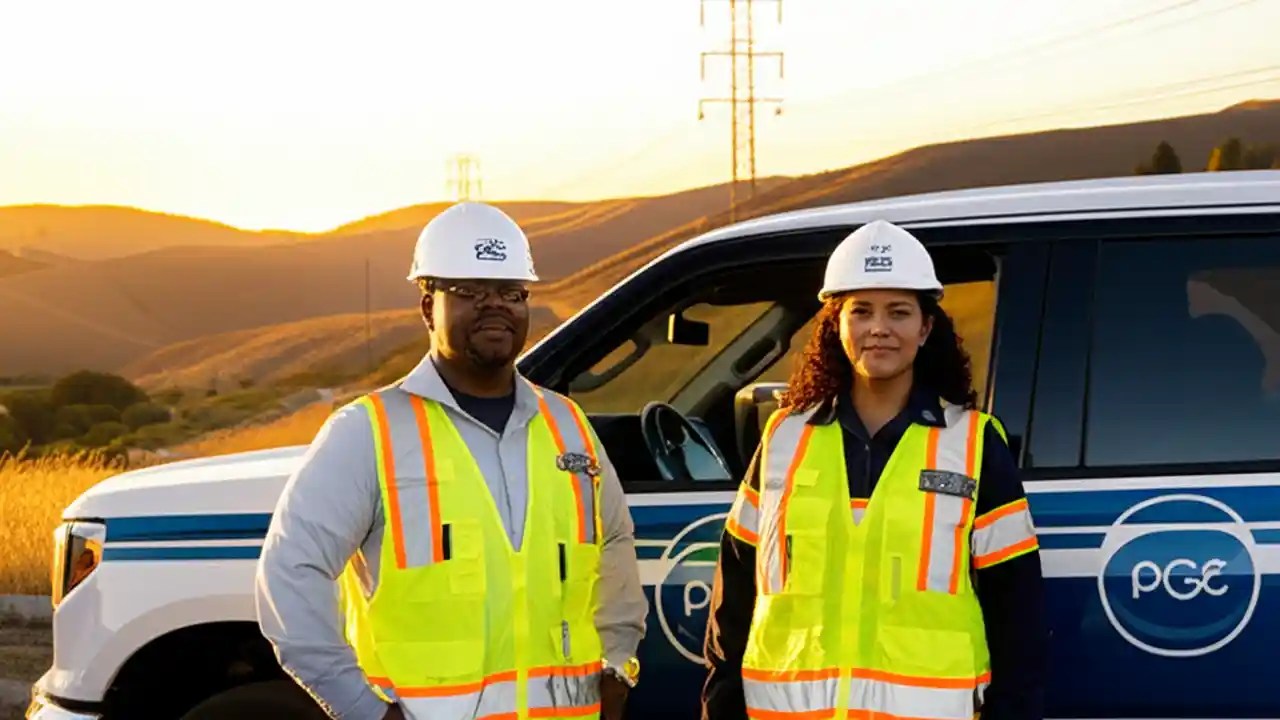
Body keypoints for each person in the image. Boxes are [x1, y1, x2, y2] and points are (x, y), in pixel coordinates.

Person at [255, 201, 648, 720]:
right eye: (469, 292)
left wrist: (618, 664)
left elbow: (614, 546)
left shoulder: (567, 426)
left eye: (512, 293)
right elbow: (288, 576)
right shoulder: (367, 433)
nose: (496, 307)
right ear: (427, 307)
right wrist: (364, 710)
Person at [700, 220, 1047, 720]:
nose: (878, 328)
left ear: (925, 328)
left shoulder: (972, 443)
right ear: (836, 325)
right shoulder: (783, 439)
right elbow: (733, 603)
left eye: (899, 312)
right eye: (860, 311)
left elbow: (1019, 619)